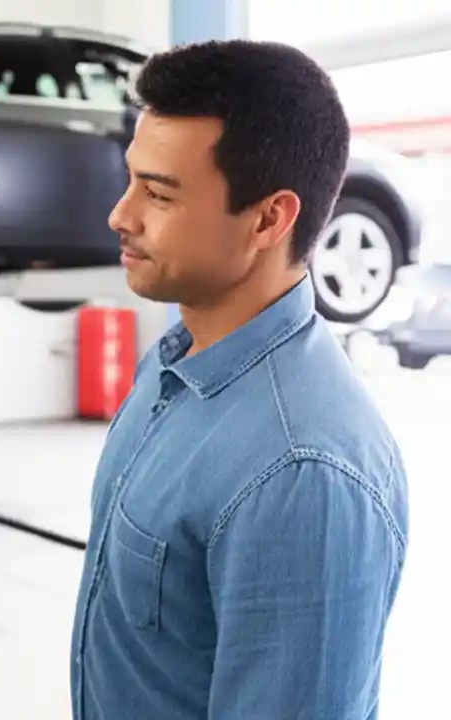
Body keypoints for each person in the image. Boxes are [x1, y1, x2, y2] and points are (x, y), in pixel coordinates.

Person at [70, 39, 409, 719]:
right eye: (132, 179)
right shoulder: (176, 362)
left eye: (158, 193)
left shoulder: (299, 472)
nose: (121, 215)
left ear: (267, 218)